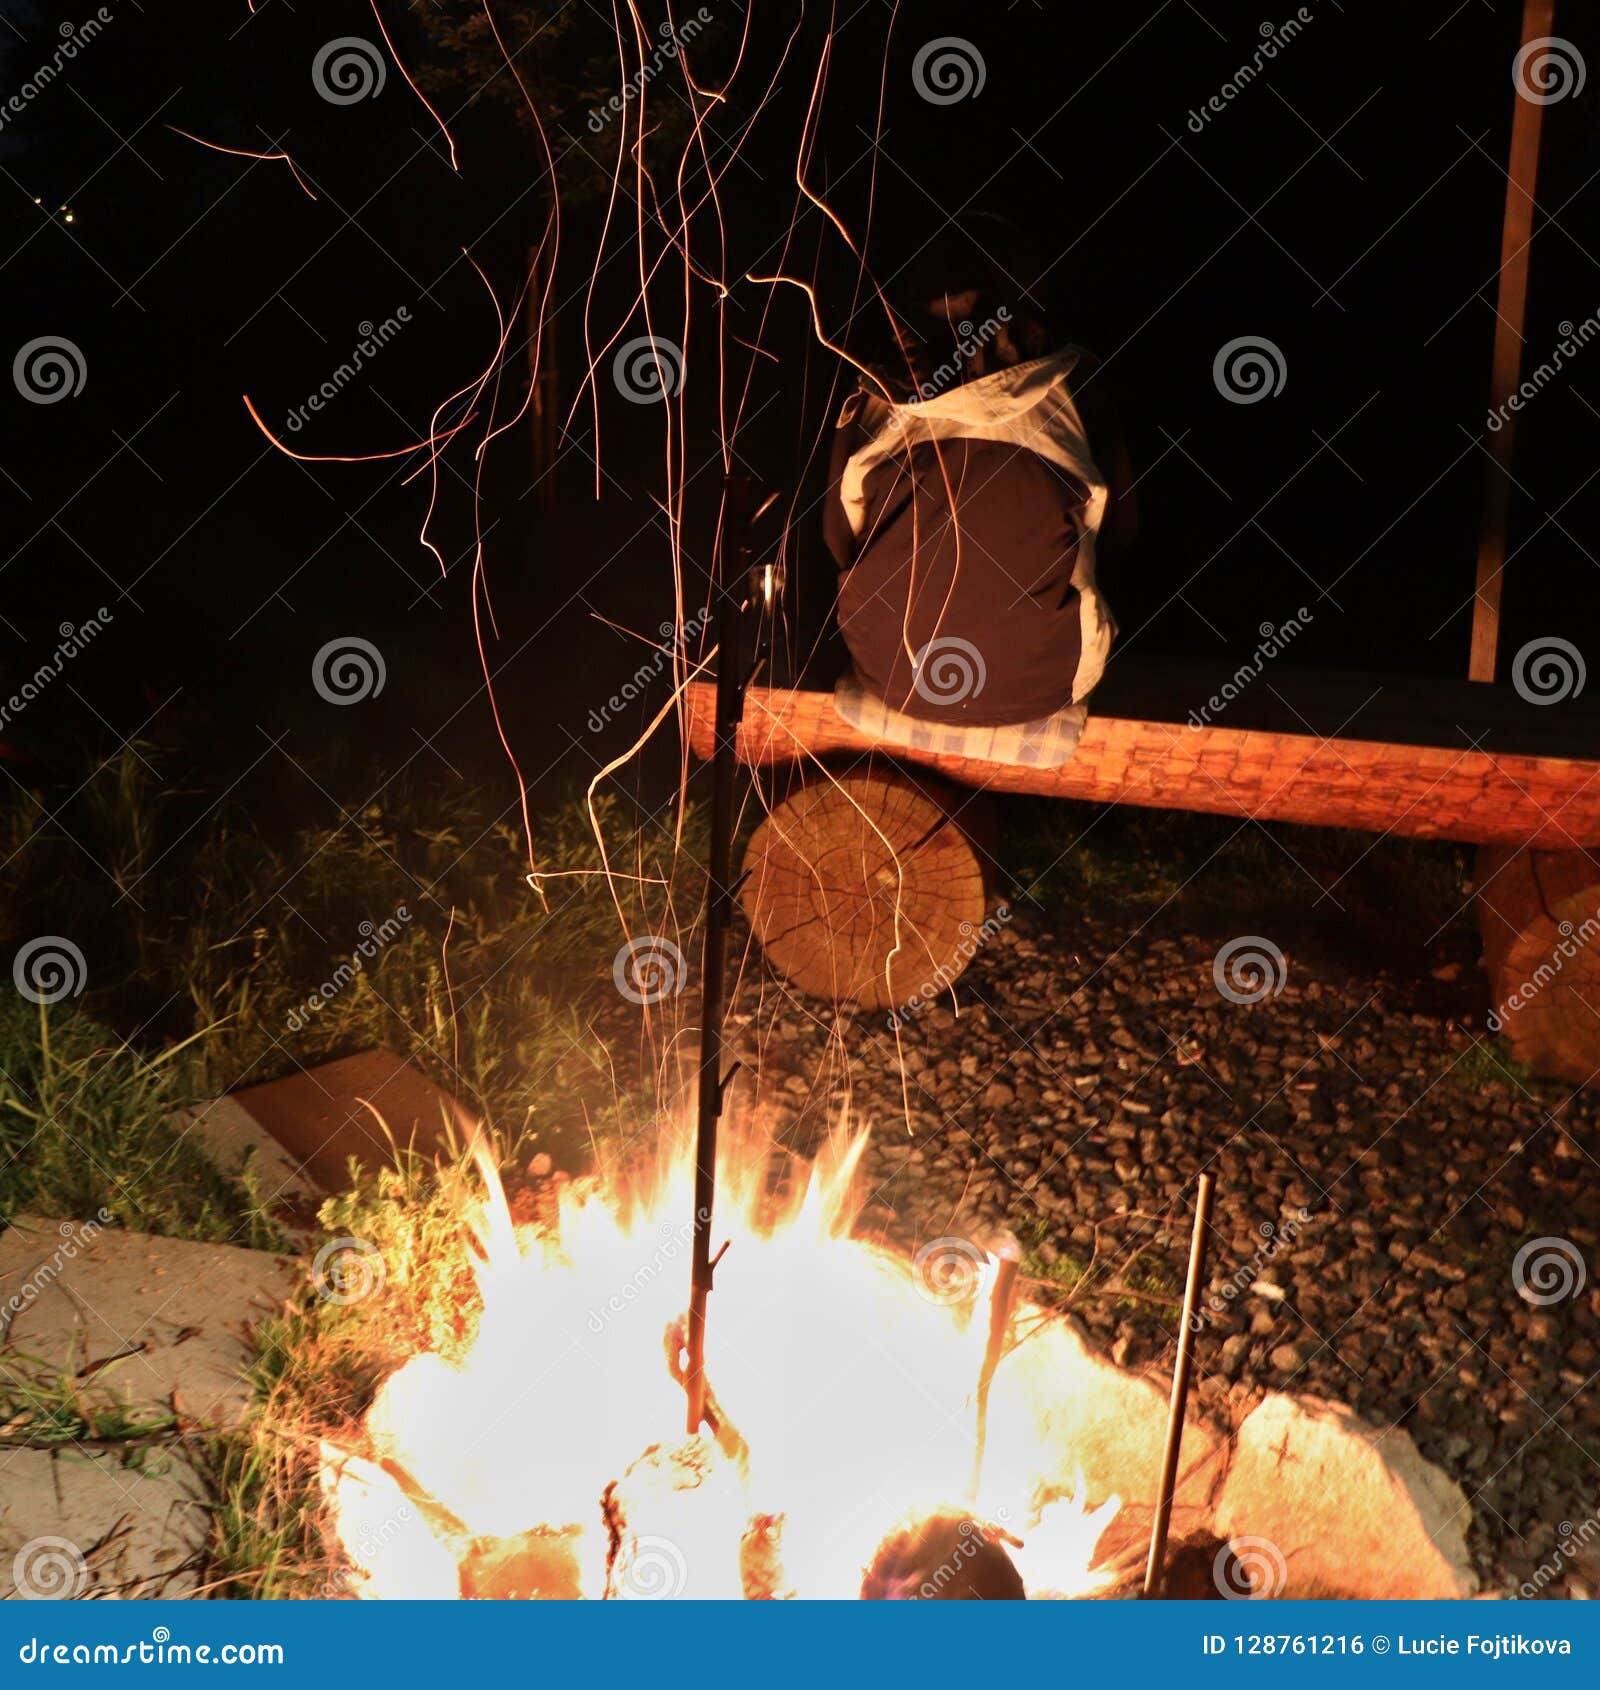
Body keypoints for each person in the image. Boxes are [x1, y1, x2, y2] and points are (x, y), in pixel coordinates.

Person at [821, 218, 1132, 760]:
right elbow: (1124, 536)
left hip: (888, 676)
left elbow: (835, 538)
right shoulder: (1077, 387)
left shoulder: (874, 388)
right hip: (1049, 684)